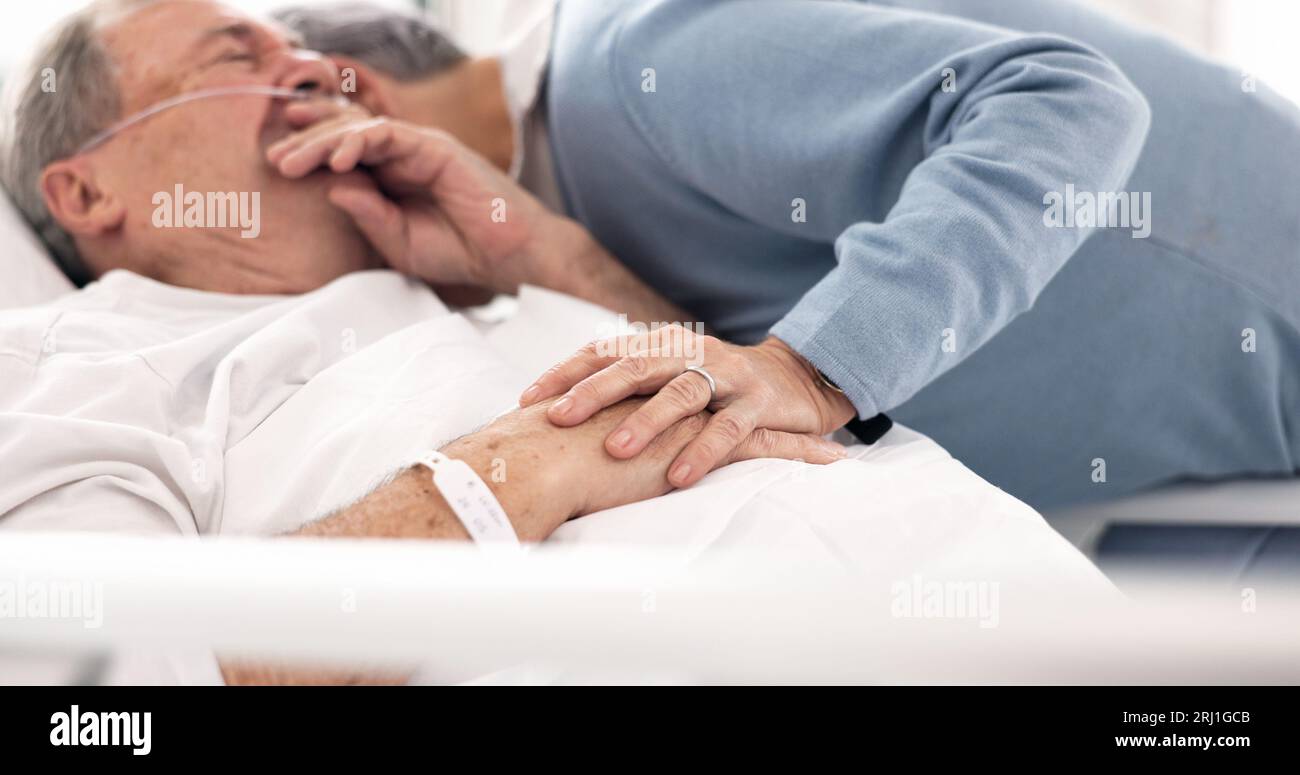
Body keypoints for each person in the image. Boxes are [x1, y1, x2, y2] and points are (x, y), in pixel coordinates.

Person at [0, 0, 847, 683]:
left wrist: (546, 253)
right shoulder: (66, 367)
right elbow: (109, 693)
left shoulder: (469, 286)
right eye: (236, 56)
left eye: (296, 46)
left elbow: (771, 411)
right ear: (85, 189)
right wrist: (527, 466)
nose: (314, 68)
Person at [279, 0, 1299, 511]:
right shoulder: (572, 204)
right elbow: (755, 382)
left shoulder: (631, 59)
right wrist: (553, 259)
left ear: (342, 100)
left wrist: (806, 369)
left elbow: (1064, 102)